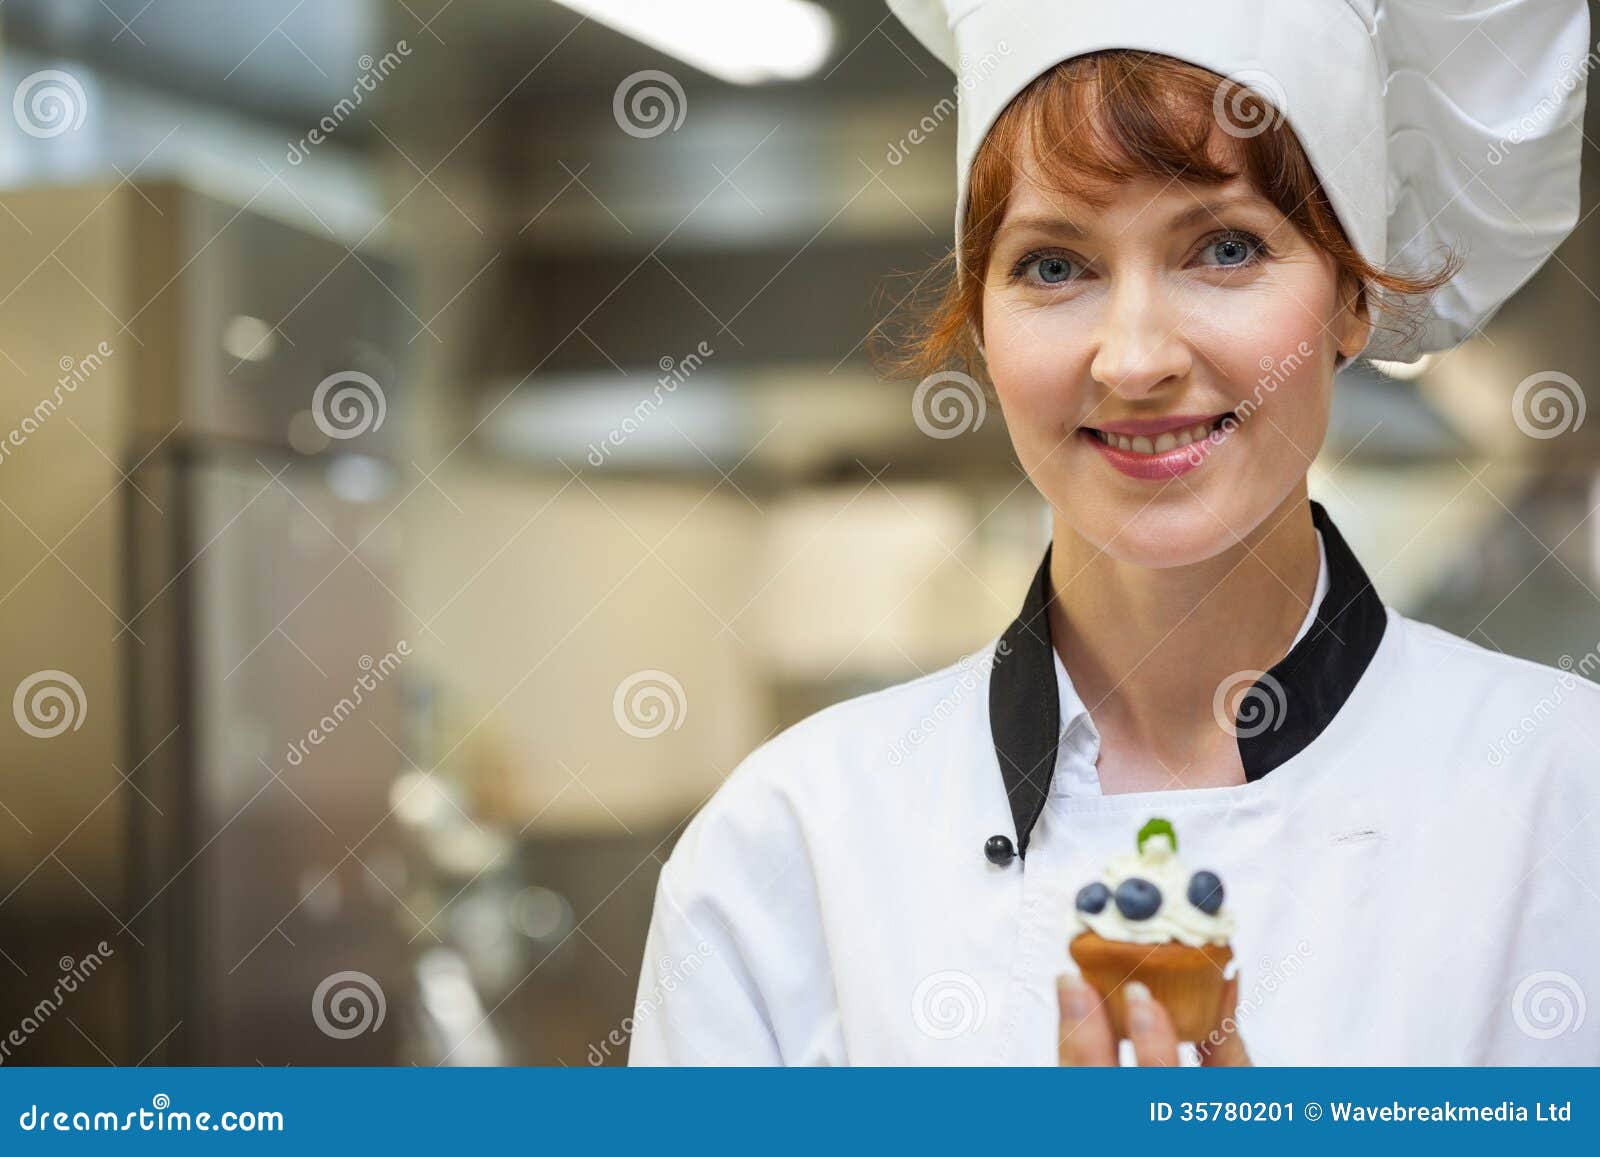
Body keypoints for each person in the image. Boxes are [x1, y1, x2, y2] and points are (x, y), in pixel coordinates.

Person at [629, 0, 1598, 1065]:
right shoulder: (787, 851)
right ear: (981, 321)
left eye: (1224, 248)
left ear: (1352, 295)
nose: (1134, 360)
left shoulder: (1565, 797)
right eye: (1054, 265)